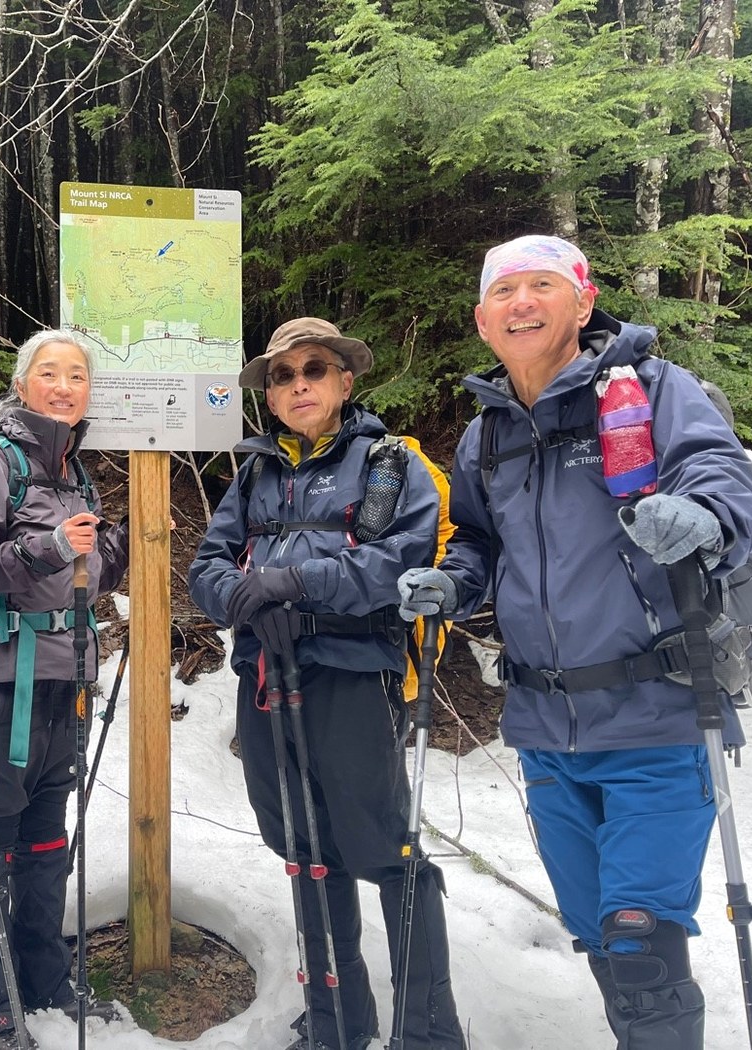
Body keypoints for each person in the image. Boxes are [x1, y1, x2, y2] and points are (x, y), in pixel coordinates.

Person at [397, 235, 752, 1049]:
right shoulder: (486, 435)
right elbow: (480, 546)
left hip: (656, 715)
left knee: (640, 944)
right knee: (601, 936)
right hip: (544, 728)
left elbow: (721, 476)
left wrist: (703, 518)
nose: (522, 302)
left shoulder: (655, 390)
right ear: (483, 321)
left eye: (542, 285)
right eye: (505, 292)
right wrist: (452, 582)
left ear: (583, 301)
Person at [188, 317, 466, 1050]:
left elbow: (396, 563)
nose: (298, 384)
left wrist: (289, 582)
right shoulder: (253, 474)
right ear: (269, 396)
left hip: (350, 675)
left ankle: (428, 1032)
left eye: (314, 369)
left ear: (346, 380)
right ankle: (338, 1020)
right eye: (282, 375)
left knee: (381, 845)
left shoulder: (389, 464)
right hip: (265, 677)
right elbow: (207, 569)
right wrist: (243, 597)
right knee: (303, 845)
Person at [0, 328, 130, 1050]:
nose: (63, 385)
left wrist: (117, 546)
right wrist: (50, 546)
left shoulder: (73, 471)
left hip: (65, 678)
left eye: (76, 375)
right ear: (22, 387)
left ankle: (43, 974)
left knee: (49, 840)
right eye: (48, 373)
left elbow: (87, 579)